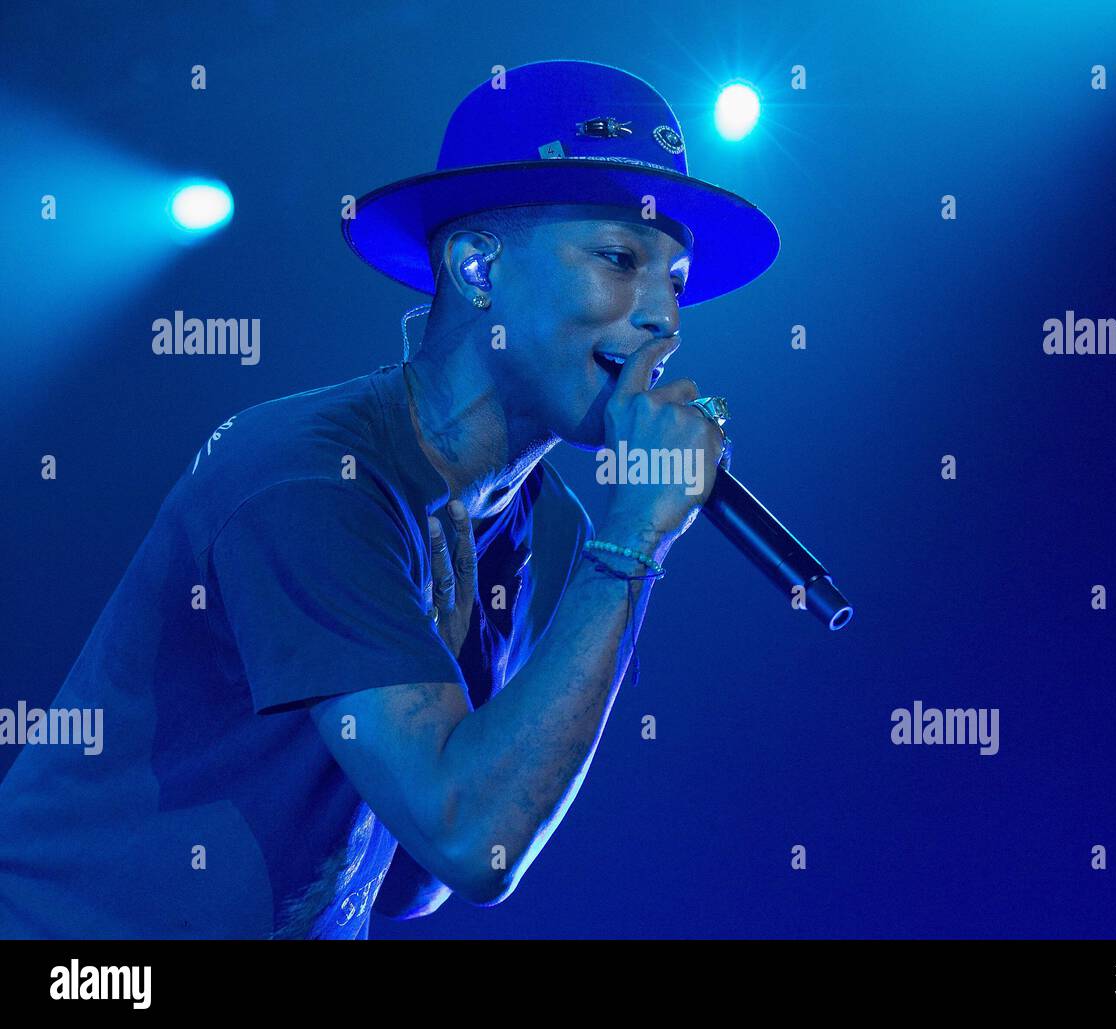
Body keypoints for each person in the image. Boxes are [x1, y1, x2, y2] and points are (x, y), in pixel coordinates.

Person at [0, 59, 778, 938]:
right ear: (478, 263)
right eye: (620, 258)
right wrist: (637, 535)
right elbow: (467, 832)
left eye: (674, 279)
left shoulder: (548, 524)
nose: (664, 318)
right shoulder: (309, 476)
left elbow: (416, 879)